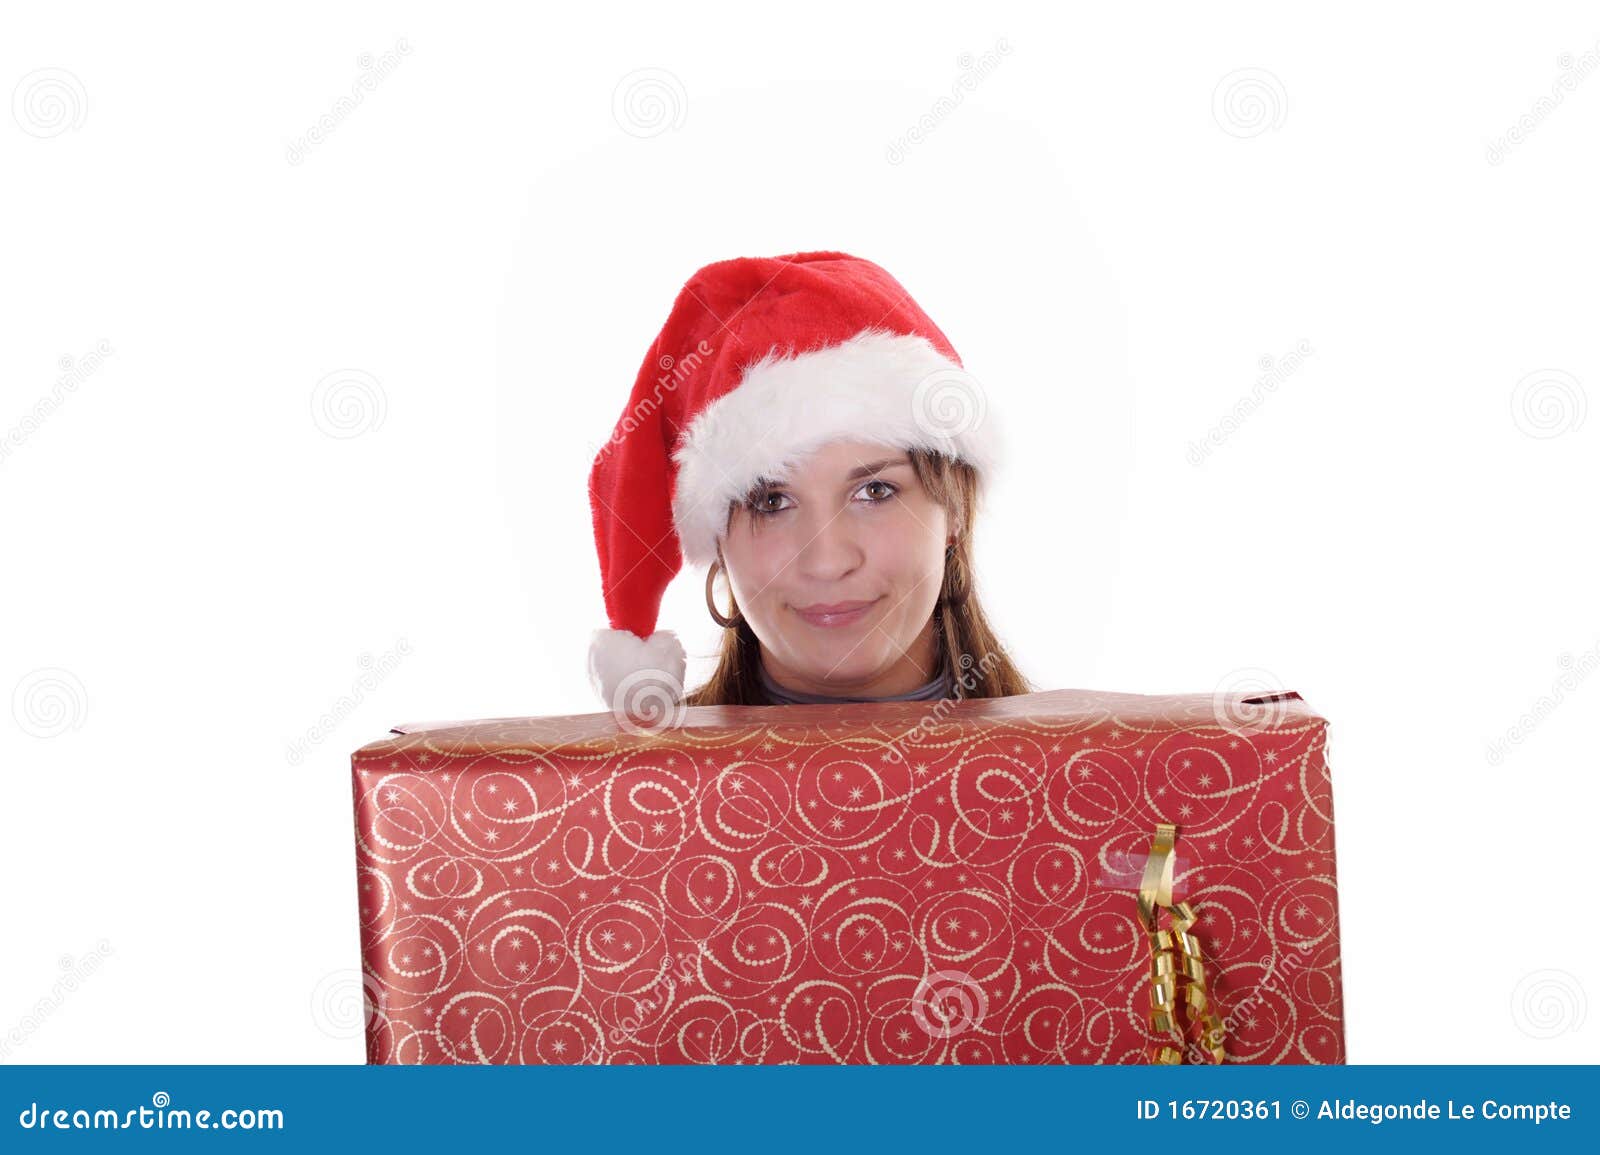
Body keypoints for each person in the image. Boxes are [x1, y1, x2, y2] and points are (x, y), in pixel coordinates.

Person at [586, 250, 1030, 710]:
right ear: (718, 542)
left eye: (875, 491)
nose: (827, 562)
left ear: (954, 510)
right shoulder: (658, 781)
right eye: (772, 501)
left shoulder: (1080, 767)